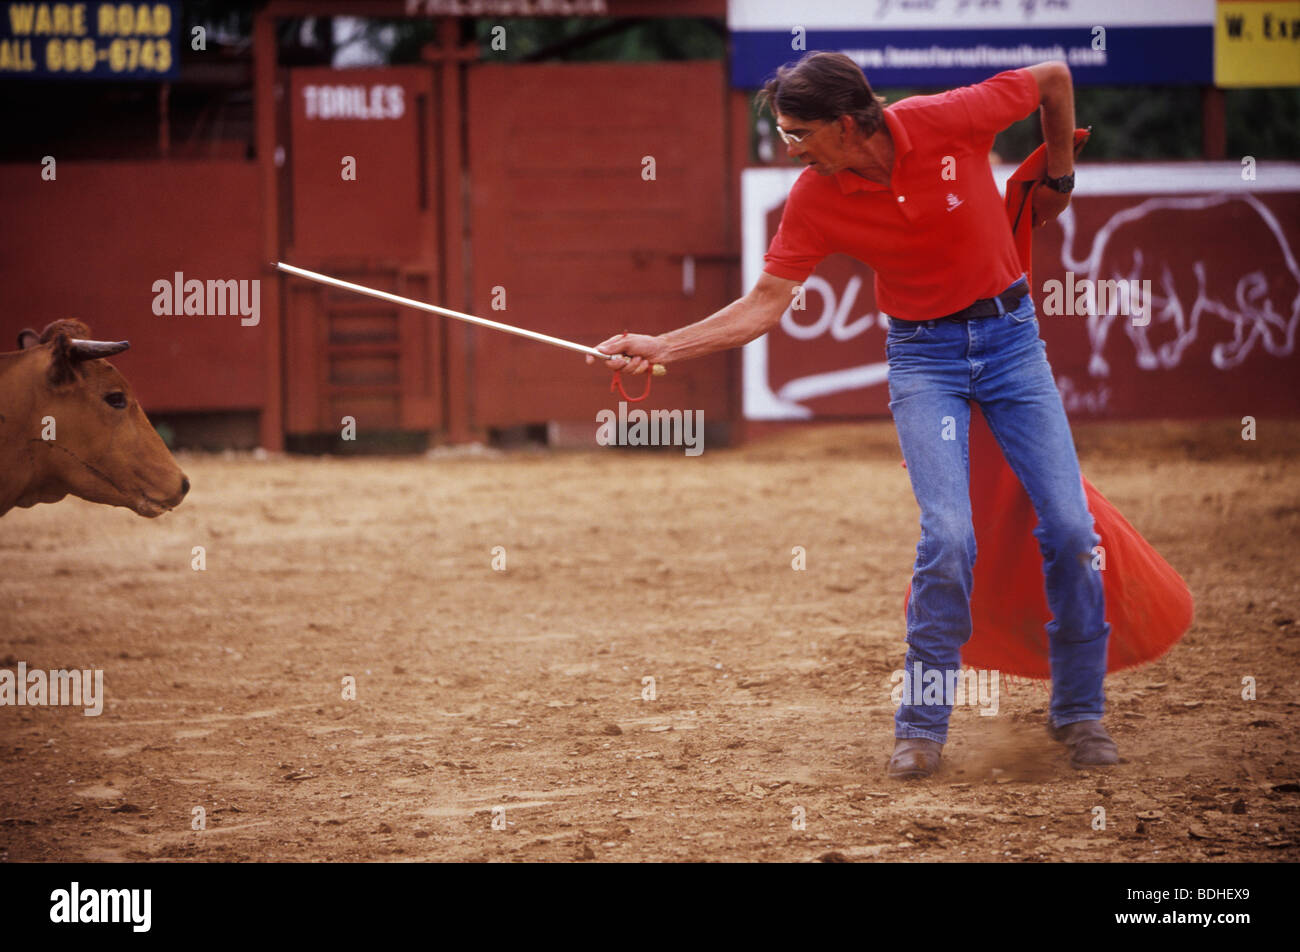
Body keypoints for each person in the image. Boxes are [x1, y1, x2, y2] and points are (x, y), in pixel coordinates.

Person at [589, 51, 1117, 779]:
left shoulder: (946, 118)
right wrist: (662, 347)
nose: (788, 147)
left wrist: (1059, 174)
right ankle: (923, 726)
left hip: (1011, 344)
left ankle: (1080, 712)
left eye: (797, 132)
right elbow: (764, 304)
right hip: (923, 359)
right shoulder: (815, 196)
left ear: (846, 124)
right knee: (950, 537)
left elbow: (1054, 79)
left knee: (1068, 527)